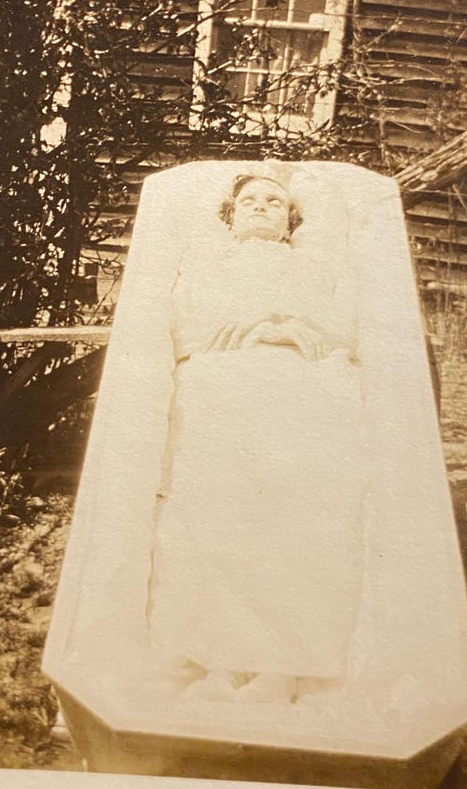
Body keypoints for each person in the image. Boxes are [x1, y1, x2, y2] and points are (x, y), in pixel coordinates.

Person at [147, 170, 368, 707]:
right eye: (249, 200)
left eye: (275, 201)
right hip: (223, 380)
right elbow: (177, 328)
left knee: (297, 500)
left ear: (292, 220)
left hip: (304, 382)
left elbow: (352, 330)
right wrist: (249, 329)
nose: (262, 206)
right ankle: (217, 651)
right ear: (230, 215)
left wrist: (290, 328)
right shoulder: (205, 265)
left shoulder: (317, 266)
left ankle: (284, 661)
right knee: (218, 496)